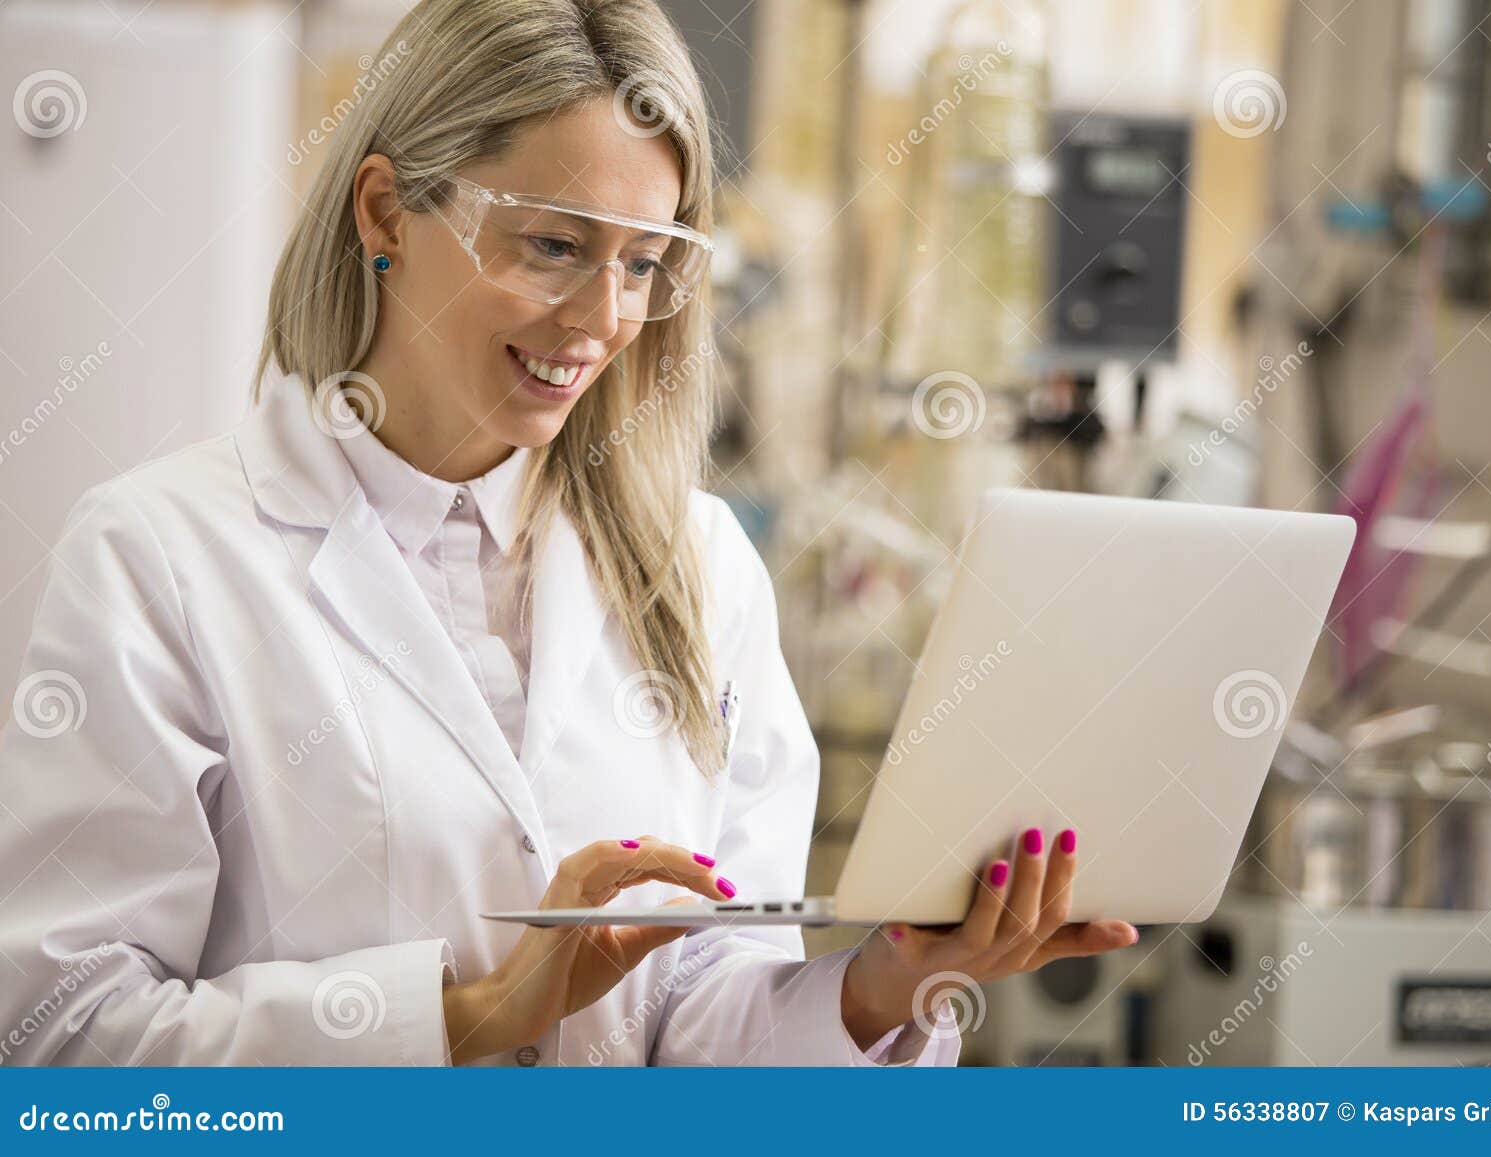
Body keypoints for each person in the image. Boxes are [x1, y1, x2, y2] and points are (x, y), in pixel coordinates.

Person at [0, 0, 1136, 1067]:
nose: (601, 321)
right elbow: (63, 1040)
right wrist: (469, 1017)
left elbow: (697, 1019)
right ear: (386, 211)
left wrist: (886, 986)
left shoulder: (696, 568)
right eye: (552, 245)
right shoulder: (163, 555)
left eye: (642, 263)